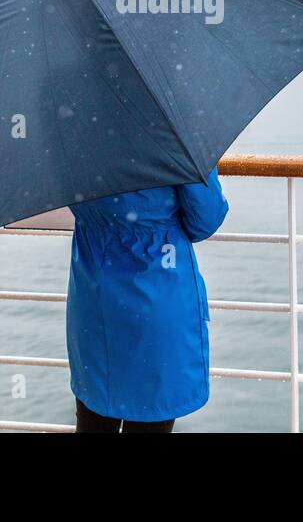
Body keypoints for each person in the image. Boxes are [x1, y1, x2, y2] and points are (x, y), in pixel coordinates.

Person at [67, 168, 230, 433]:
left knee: (94, 418)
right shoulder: (171, 133)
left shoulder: (70, 134)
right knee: (151, 416)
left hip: (92, 294)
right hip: (156, 295)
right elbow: (205, 219)